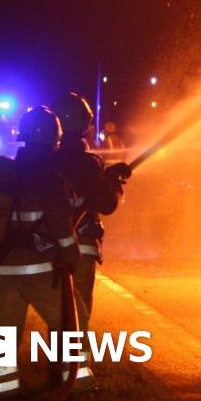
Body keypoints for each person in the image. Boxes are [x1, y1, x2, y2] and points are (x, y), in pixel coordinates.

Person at [0, 105, 83, 401]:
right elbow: (60, 220)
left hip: (0, 268)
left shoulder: (8, 171)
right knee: (66, 324)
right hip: (38, 269)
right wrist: (70, 251)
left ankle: (6, 392)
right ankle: (71, 385)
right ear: (53, 137)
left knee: (2, 336)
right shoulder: (47, 175)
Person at [53, 93, 127, 355]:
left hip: (49, 248)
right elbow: (106, 205)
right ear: (84, 123)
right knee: (78, 309)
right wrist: (115, 185)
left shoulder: (50, 160)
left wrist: (105, 176)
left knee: (59, 309)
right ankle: (77, 372)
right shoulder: (88, 163)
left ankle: (59, 367)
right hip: (81, 246)